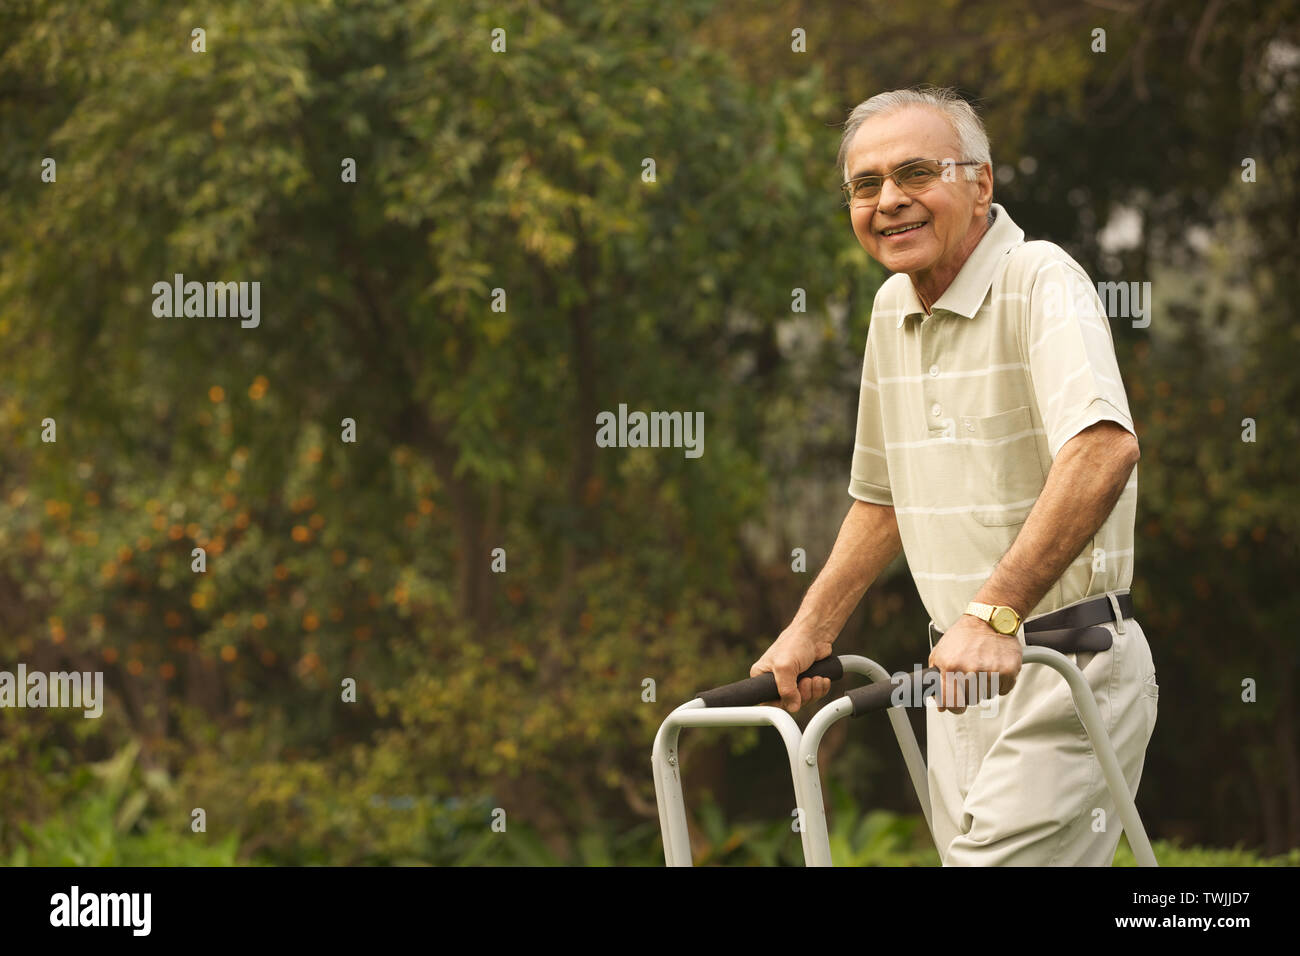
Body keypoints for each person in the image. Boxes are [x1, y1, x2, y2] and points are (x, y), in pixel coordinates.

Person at [750, 87, 1158, 865]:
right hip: (959, 681)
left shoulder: (1041, 278)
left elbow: (1104, 447)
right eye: (866, 185)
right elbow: (882, 500)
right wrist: (810, 631)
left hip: (1067, 663)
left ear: (981, 184)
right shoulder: (888, 310)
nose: (889, 200)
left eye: (914, 173)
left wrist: (995, 615)